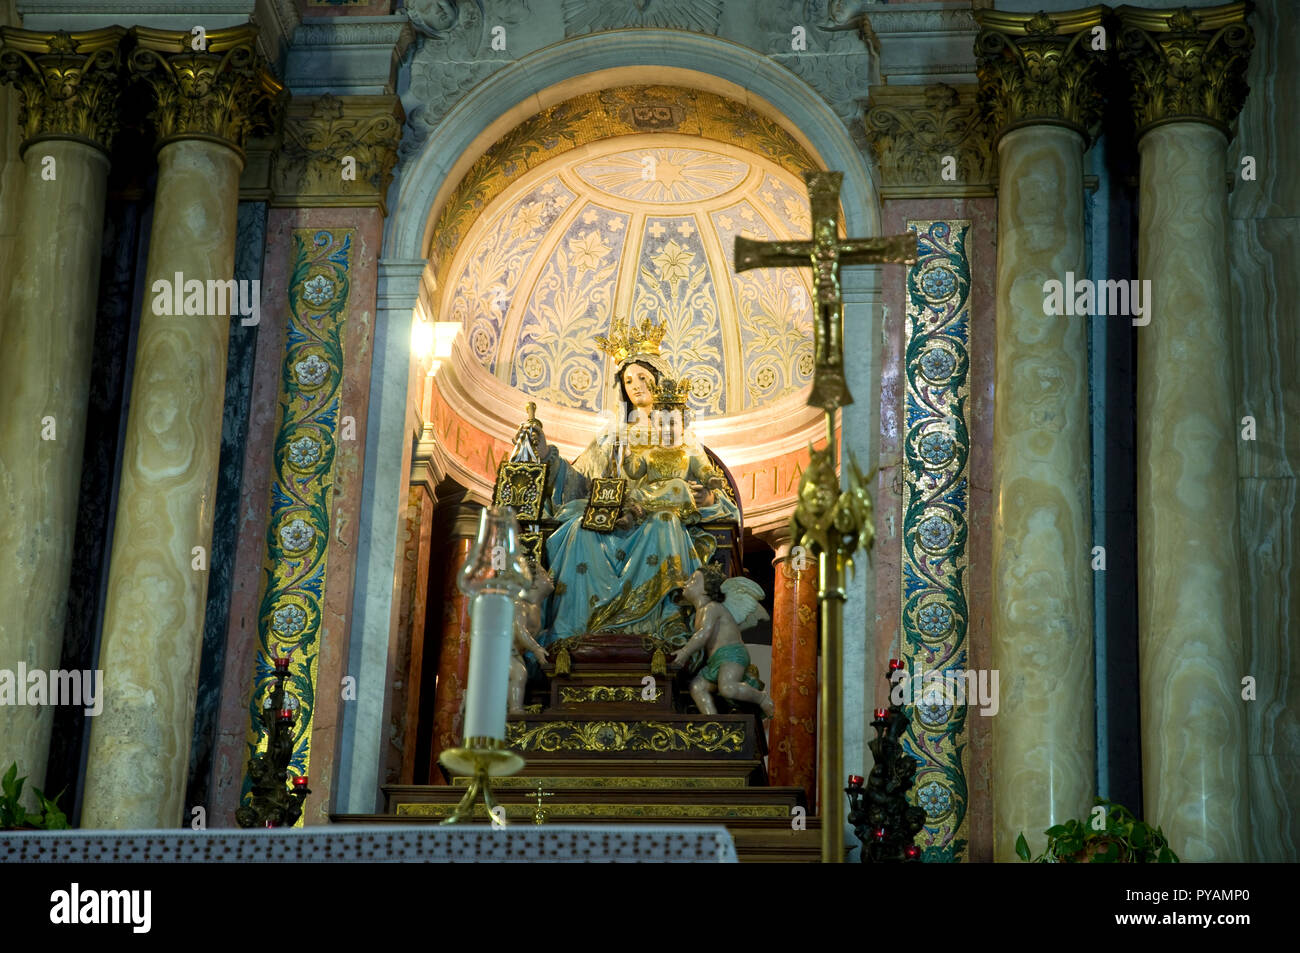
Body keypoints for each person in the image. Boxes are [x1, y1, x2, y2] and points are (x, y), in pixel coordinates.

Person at [516, 318, 739, 648]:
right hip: (611, 514)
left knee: (665, 523)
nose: (635, 386)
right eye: (628, 380)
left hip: (660, 514)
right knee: (579, 529)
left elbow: (714, 489)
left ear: (658, 380)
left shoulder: (682, 438)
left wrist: (705, 494)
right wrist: (547, 453)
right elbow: (579, 484)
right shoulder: (611, 436)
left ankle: (665, 621)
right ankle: (578, 630)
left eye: (643, 378)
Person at [670, 565, 774, 718]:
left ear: (706, 589)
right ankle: (714, 722)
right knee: (697, 687)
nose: (686, 582)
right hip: (715, 661)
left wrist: (685, 652)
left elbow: (704, 634)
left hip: (731, 655)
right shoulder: (698, 614)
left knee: (727, 688)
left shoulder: (712, 608)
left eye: (693, 580)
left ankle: (762, 697)